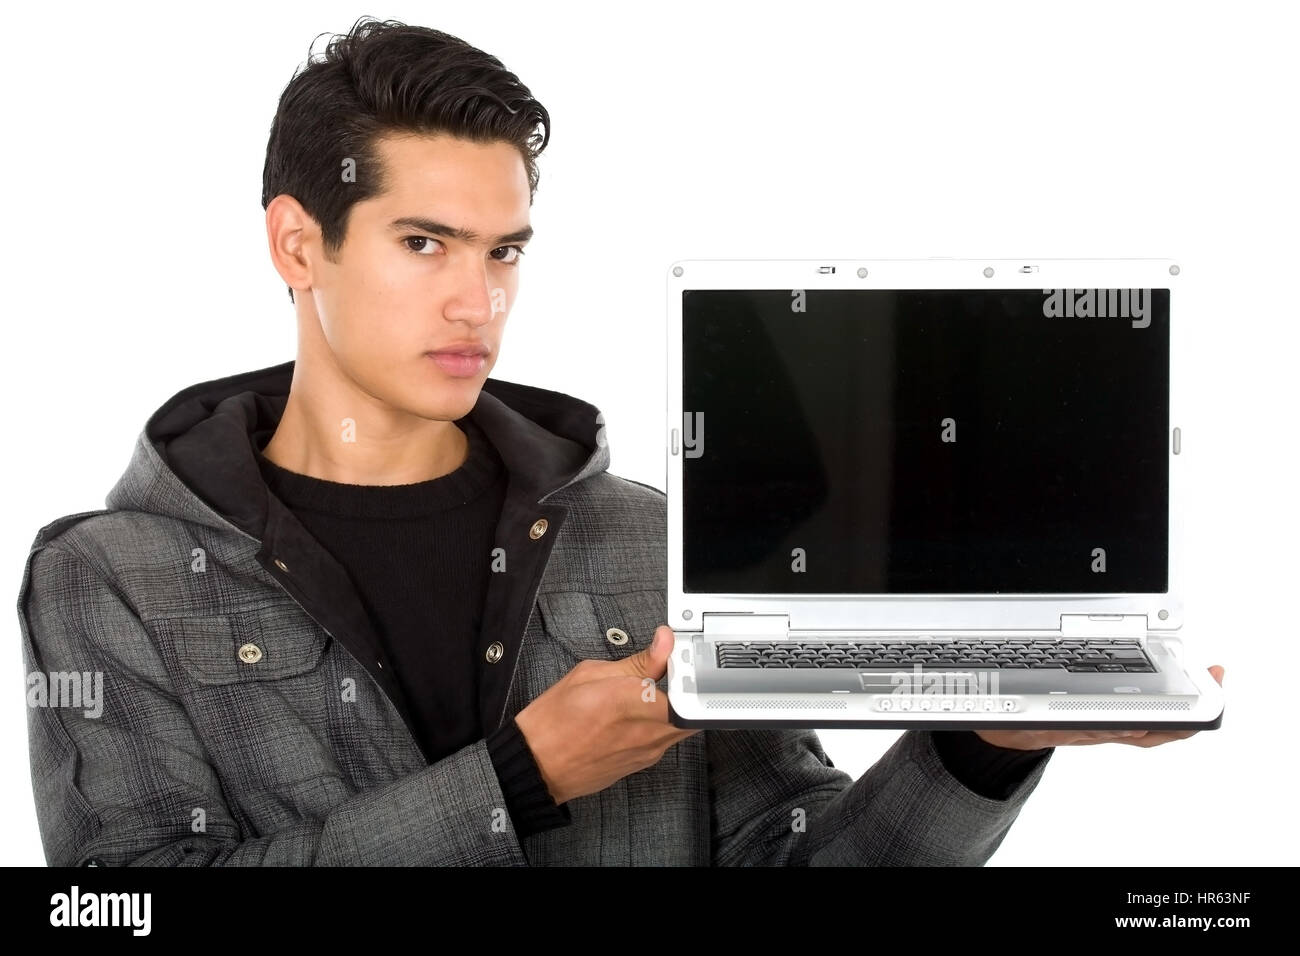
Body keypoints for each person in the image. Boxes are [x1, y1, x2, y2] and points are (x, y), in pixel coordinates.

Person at [16, 17, 1223, 866]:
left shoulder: (645, 535)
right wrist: (521, 778)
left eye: (505, 251)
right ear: (297, 244)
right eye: (424, 243)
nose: (476, 300)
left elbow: (790, 862)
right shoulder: (107, 576)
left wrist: (979, 741)